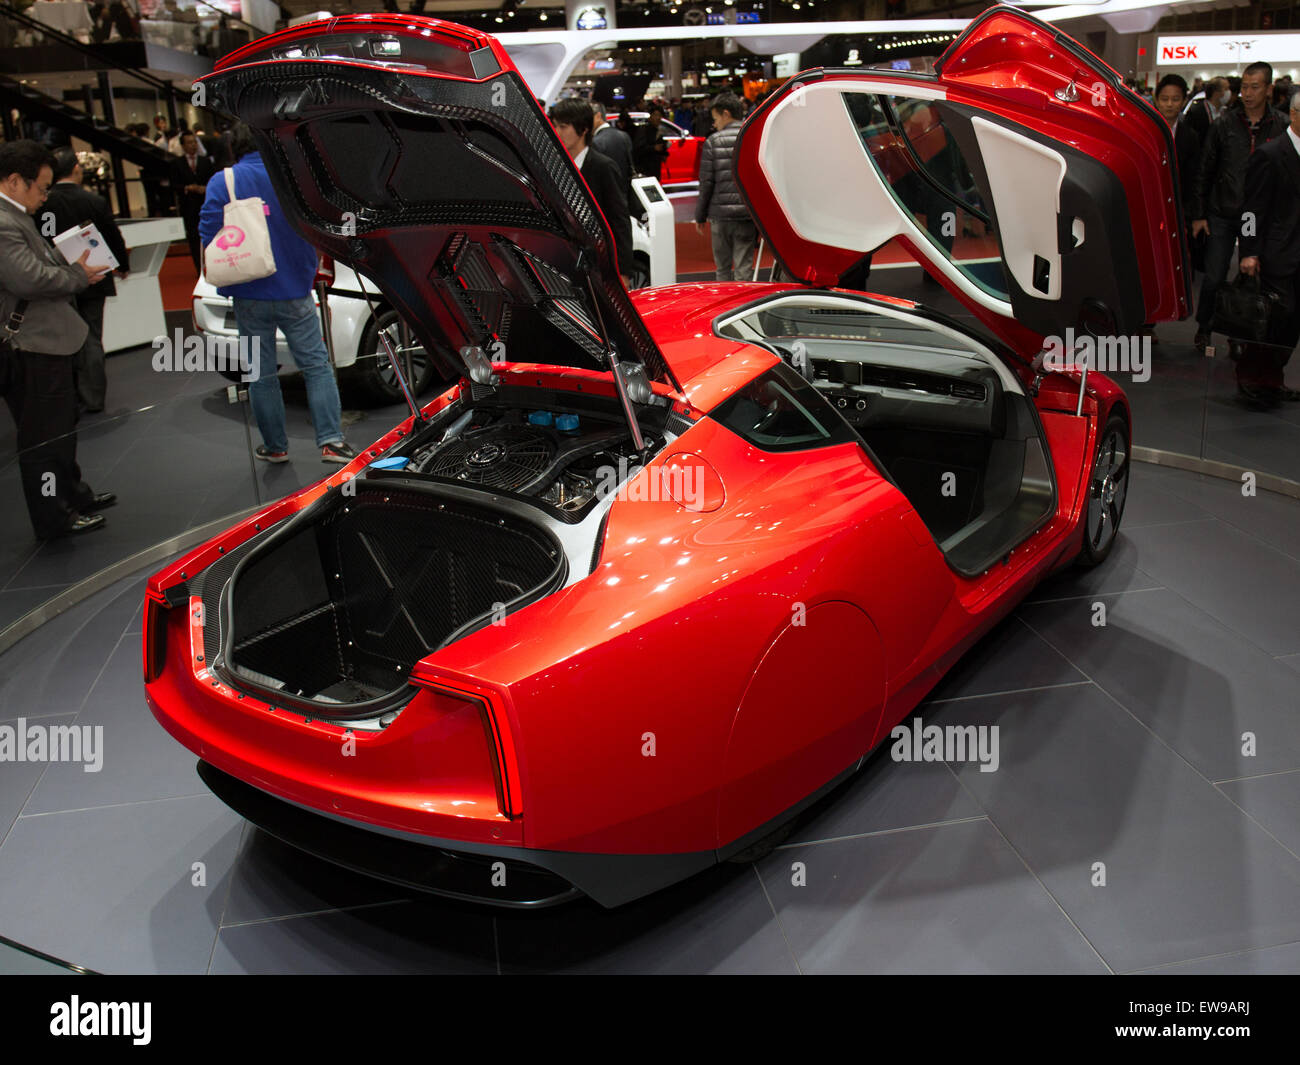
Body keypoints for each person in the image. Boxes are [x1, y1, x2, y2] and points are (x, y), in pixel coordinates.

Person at [198, 124, 356, 464]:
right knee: (316, 366)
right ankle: (331, 442)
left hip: (248, 291)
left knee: (261, 373)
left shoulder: (222, 181)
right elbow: (319, 224)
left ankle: (275, 446)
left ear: (234, 147)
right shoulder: (294, 177)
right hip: (295, 289)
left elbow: (207, 231)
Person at [0, 141, 116, 538]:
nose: (45, 197)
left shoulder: (15, 216)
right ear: (16, 181)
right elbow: (29, 278)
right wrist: (78, 276)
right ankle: (54, 517)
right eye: (42, 187)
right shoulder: (2, 221)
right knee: (43, 441)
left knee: (60, 429)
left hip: (47, 341)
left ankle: (73, 495)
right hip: (32, 347)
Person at [1189, 62, 1288, 350]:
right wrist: (1198, 214)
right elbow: (1204, 169)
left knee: (1250, 276)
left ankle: (1239, 330)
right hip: (1223, 210)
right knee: (1213, 276)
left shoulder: (1281, 125)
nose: (1247, 93)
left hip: (1257, 215)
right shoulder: (1224, 123)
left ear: (1268, 89)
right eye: (1244, 87)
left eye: (1254, 87)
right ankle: (1204, 327)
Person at [42, 147, 129, 413]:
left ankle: (72, 395)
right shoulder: (93, 200)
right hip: (94, 276)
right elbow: (112, 236)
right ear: (76, 170)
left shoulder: (43, 202)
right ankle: (93, 397)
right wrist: (122, 265)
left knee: (64, 337)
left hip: (57, 278)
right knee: (91, 336)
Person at [1235, 89, 1300, 408]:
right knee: (1271, 319)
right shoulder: (1271, 154)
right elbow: (1251, 208)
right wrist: (1248, 251)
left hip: (1297, 253)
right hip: (1276, 252)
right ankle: (1252, 376)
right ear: (1296, 114)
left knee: (1292, 323)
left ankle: (1273, 378)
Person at [549, 99, 633, 285]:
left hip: (598, 265)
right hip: (562, 264)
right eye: (555, 126)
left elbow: (619, 221)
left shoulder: (603, 167)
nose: (557, 132)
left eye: (563, 127)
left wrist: (623, 271)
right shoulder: (554, 165)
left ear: (584, 129)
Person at [694, 92, 757, 283]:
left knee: (722, 270)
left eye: (716, 119)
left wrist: (700, 215)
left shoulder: (713, 141)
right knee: (744, 268)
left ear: (726, 114)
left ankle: (726, 310)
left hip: (720, 216)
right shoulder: (754, 136)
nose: (715, 124)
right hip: (748, 215)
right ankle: (746, 308)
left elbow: (706, 182)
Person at [172, 131, 215, 270]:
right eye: (189, 143)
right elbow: (174, 185)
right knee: (193, 238)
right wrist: (187, 188)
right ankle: (199, 268)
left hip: (206, 205)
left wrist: (205, 188)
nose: (193, 145)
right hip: (188, 207)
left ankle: (215, 264)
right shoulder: (177, 163)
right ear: (183, 145)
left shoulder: (205, 161)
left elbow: (213, 181)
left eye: (194, 142)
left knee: (211, 235)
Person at [591, 100, 634, 205]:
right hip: (625, 197)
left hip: (607, 202)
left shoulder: (596, 142)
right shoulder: (624, 136)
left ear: (597, 116)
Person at [632, 105, 669, 181]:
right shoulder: (643, 130)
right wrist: (653, 148)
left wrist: (664, 153)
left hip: (655, 169)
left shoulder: (659, 131)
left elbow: (661, 148)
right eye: (656, 115)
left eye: (660, 116)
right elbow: (638, 148)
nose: (658, 118)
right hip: (644, 169)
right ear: (650, 116)